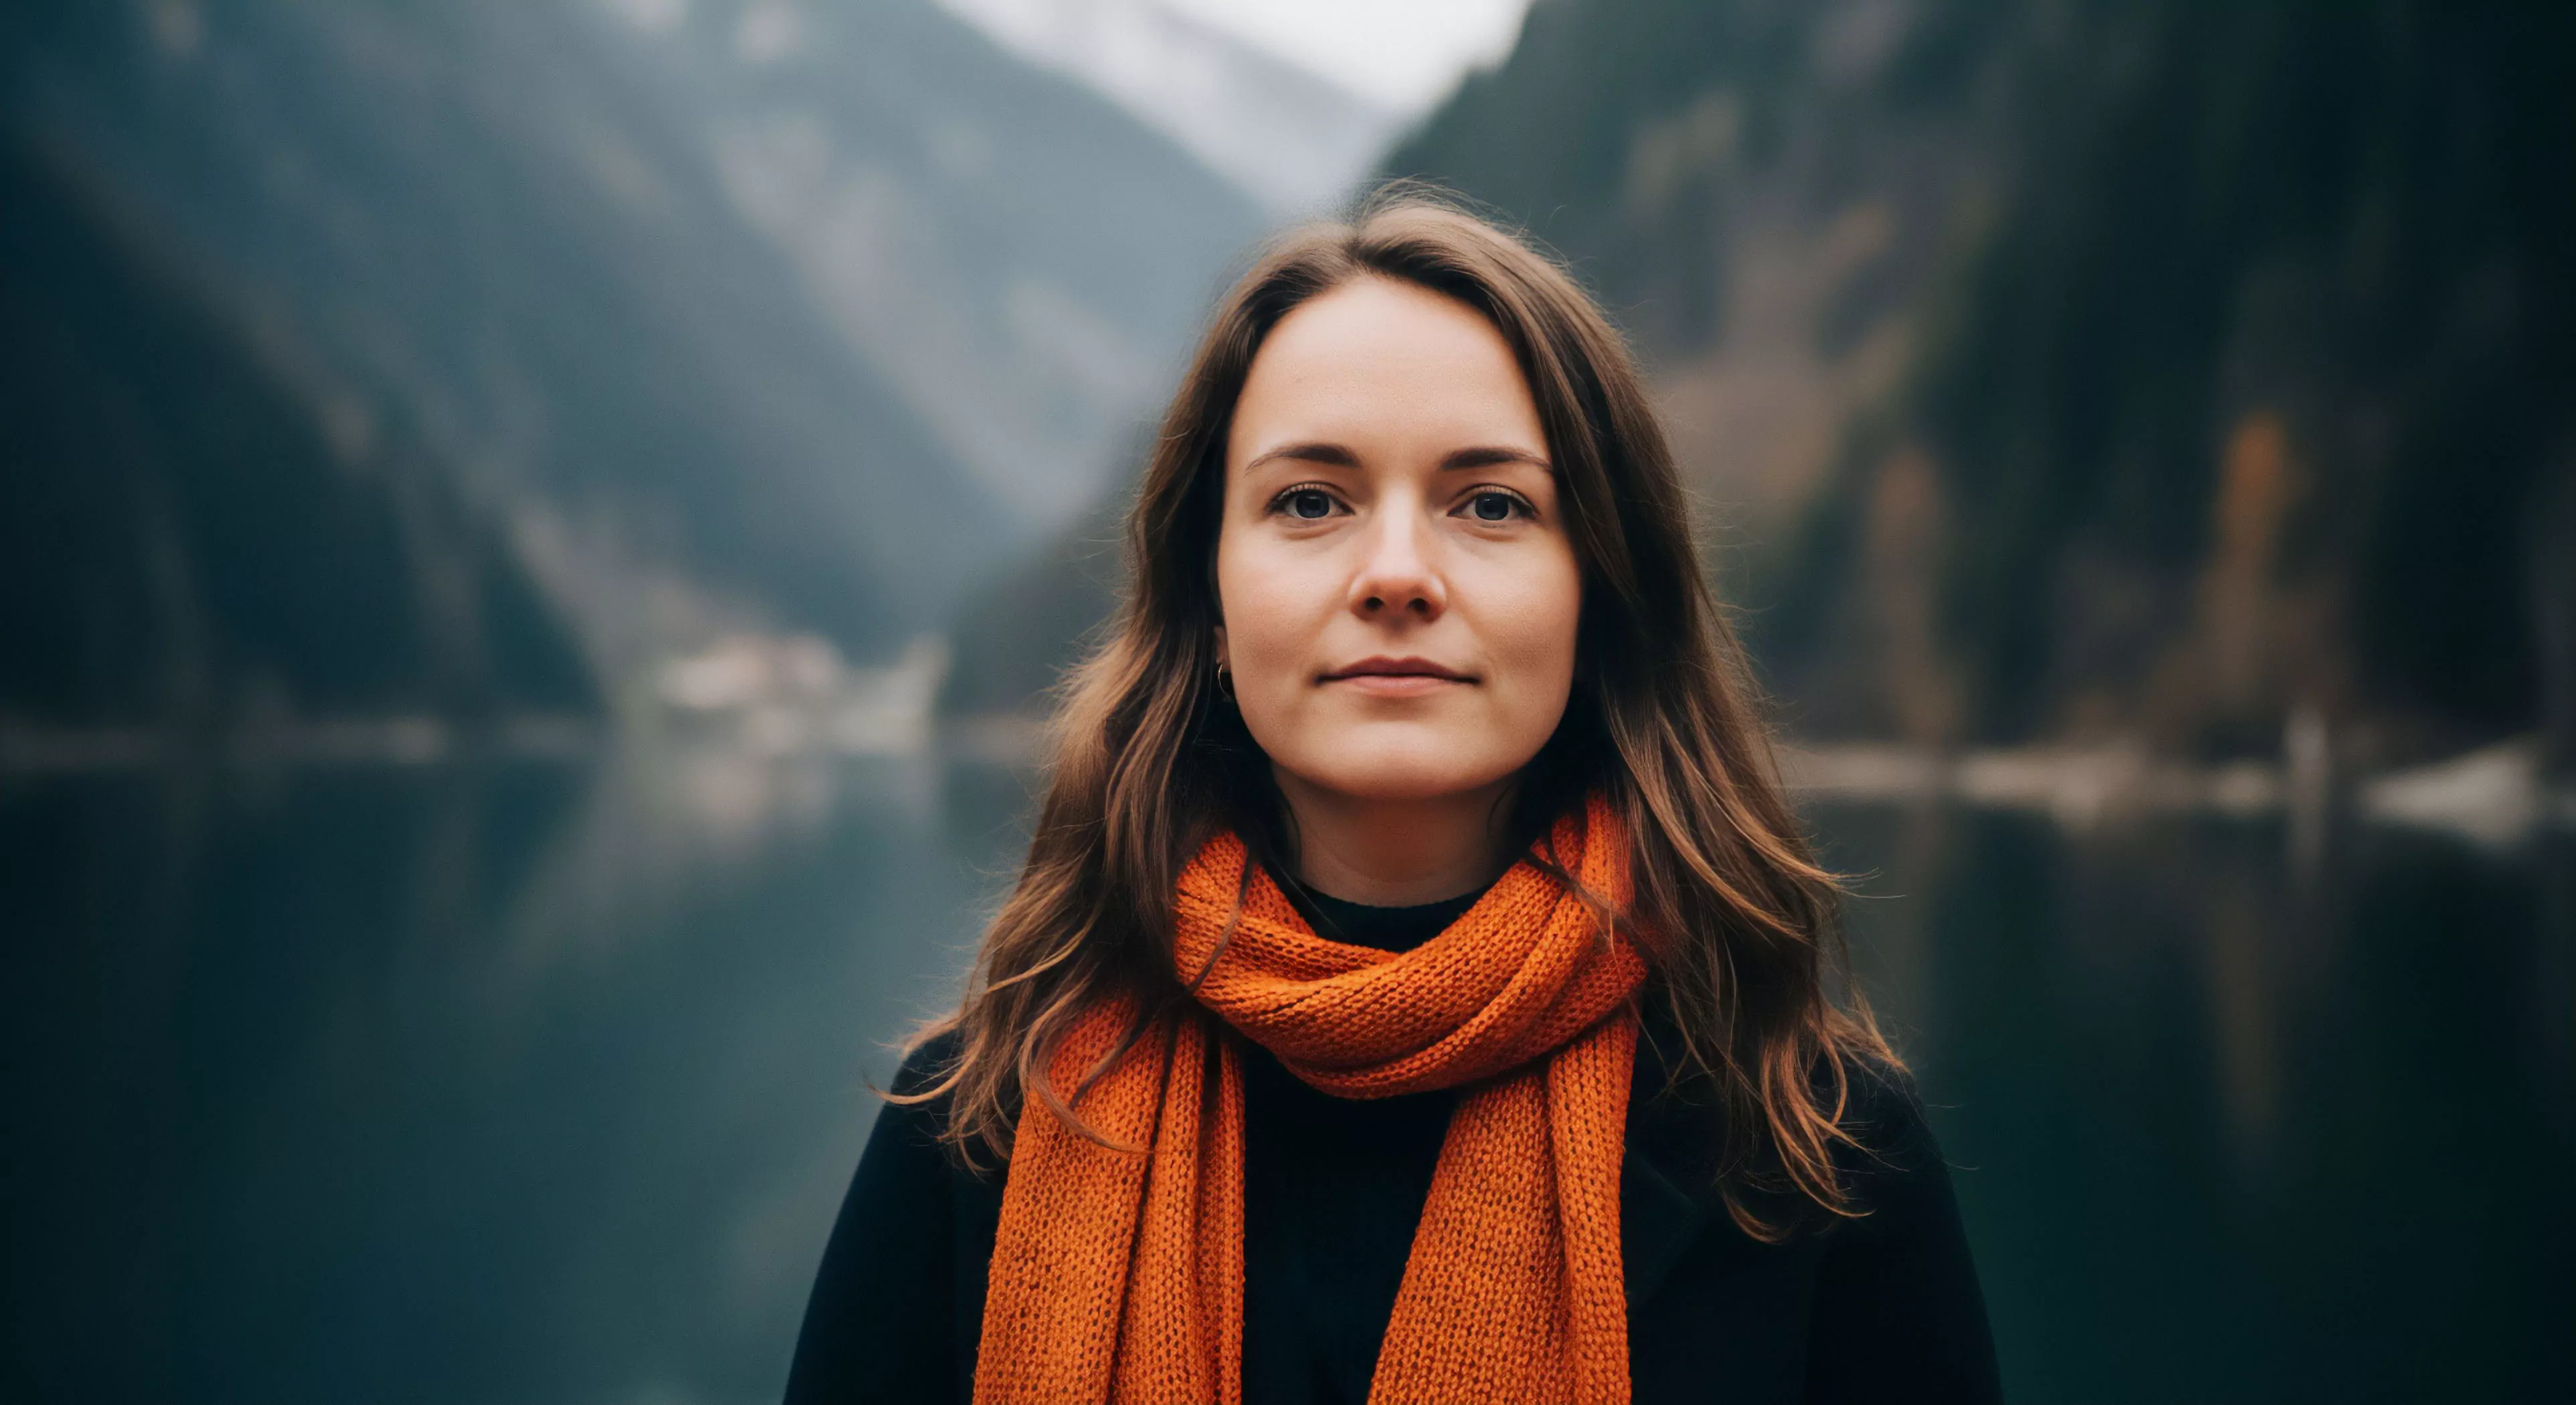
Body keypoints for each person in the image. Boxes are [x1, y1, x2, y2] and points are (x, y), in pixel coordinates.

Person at [784, 187, 2001, 1405]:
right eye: (1310, 501)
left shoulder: (1811, 1152)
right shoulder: (978, 1125)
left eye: (1491, 504)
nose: (1398, 574)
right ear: (1208, 601)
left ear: (1601, 595)